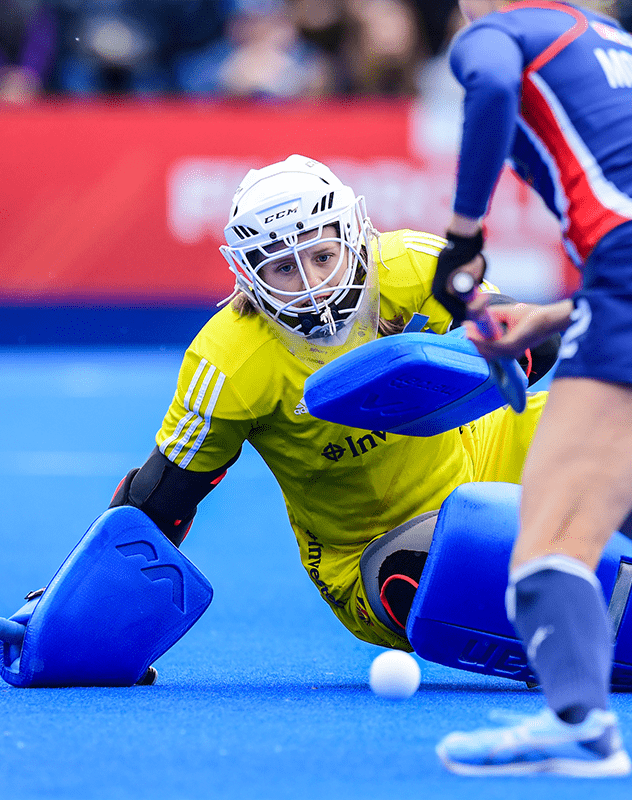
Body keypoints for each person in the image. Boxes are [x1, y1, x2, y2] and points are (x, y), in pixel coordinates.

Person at [430, 0, 632, 777]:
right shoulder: (631, 50)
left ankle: (579, 722)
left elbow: (494, 86)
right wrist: (551, 317)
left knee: (551, 525)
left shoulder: (499, 34)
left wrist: (464, 238)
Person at [108, 153, 552, 655]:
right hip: (374, 551)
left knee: (620, 429)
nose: (313, 285)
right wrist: (90, 615)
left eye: (322, 256)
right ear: (249, 274)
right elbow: (161, 499)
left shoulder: (412, 265)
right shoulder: (228, 362)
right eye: (284, 268)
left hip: (489, 451)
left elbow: (537, 343)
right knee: (443, 567)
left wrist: (452, 363)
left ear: (356, 236)